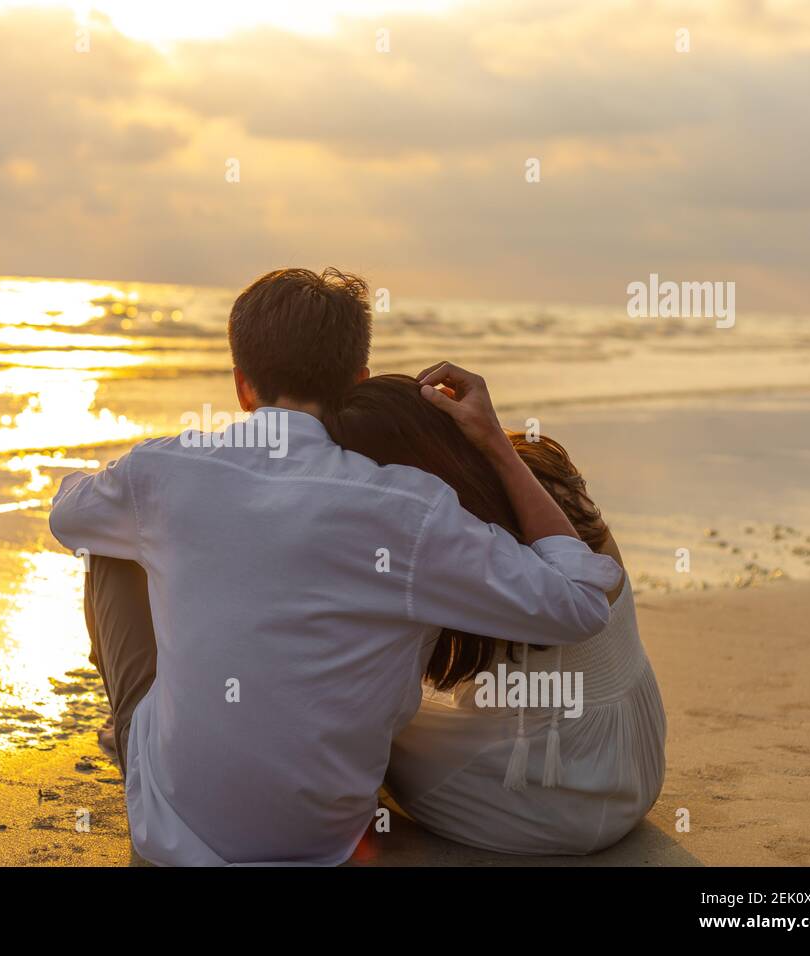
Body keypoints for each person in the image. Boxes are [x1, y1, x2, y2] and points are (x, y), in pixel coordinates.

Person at [48, 268, 622, 865]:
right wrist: (496, 446)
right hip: (323, 839)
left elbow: (67, 515)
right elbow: (580, 602)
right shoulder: (409, 507)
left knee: (112, 545)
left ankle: (141, 728)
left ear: (243, 386)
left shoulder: (165, 472)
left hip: (175, 832)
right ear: (357, 382)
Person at [327, 373, 666, 855]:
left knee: (343, 722)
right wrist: (492, 440)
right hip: (633, 764)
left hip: (541, 792)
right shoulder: (536, 469)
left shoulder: (432, 532)